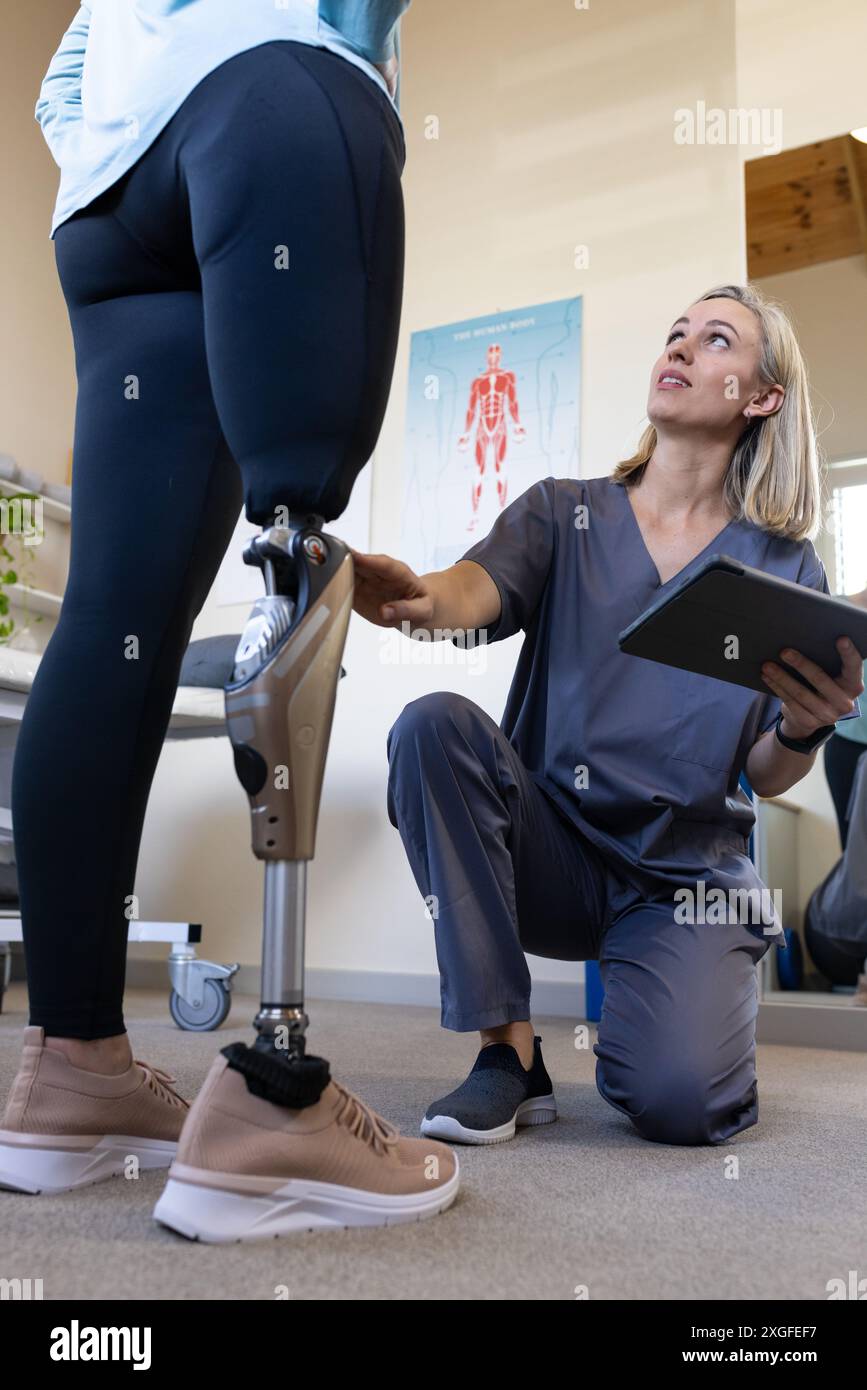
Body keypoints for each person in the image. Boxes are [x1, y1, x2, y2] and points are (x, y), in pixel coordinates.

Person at [0, 0, 461, 1235]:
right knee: (298, 538)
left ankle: (74, 1072)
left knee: (110, 618)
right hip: (280, 100)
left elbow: (65, 82)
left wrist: (122, 133)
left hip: (107, 202)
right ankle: (276, 1092)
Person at [352, 283, 864, 1147]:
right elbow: (473, 590)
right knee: (431, 723)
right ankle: (508, 1058)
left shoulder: (782, 568)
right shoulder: (564, 511)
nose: (678, 349)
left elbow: (765, 769)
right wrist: (419, 598)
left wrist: (805, 728)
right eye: (674, 335)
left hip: (683, 880)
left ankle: (681, 1013)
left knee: (681, 1106)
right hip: (549, 853)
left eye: (713, 341)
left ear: (762, 397)